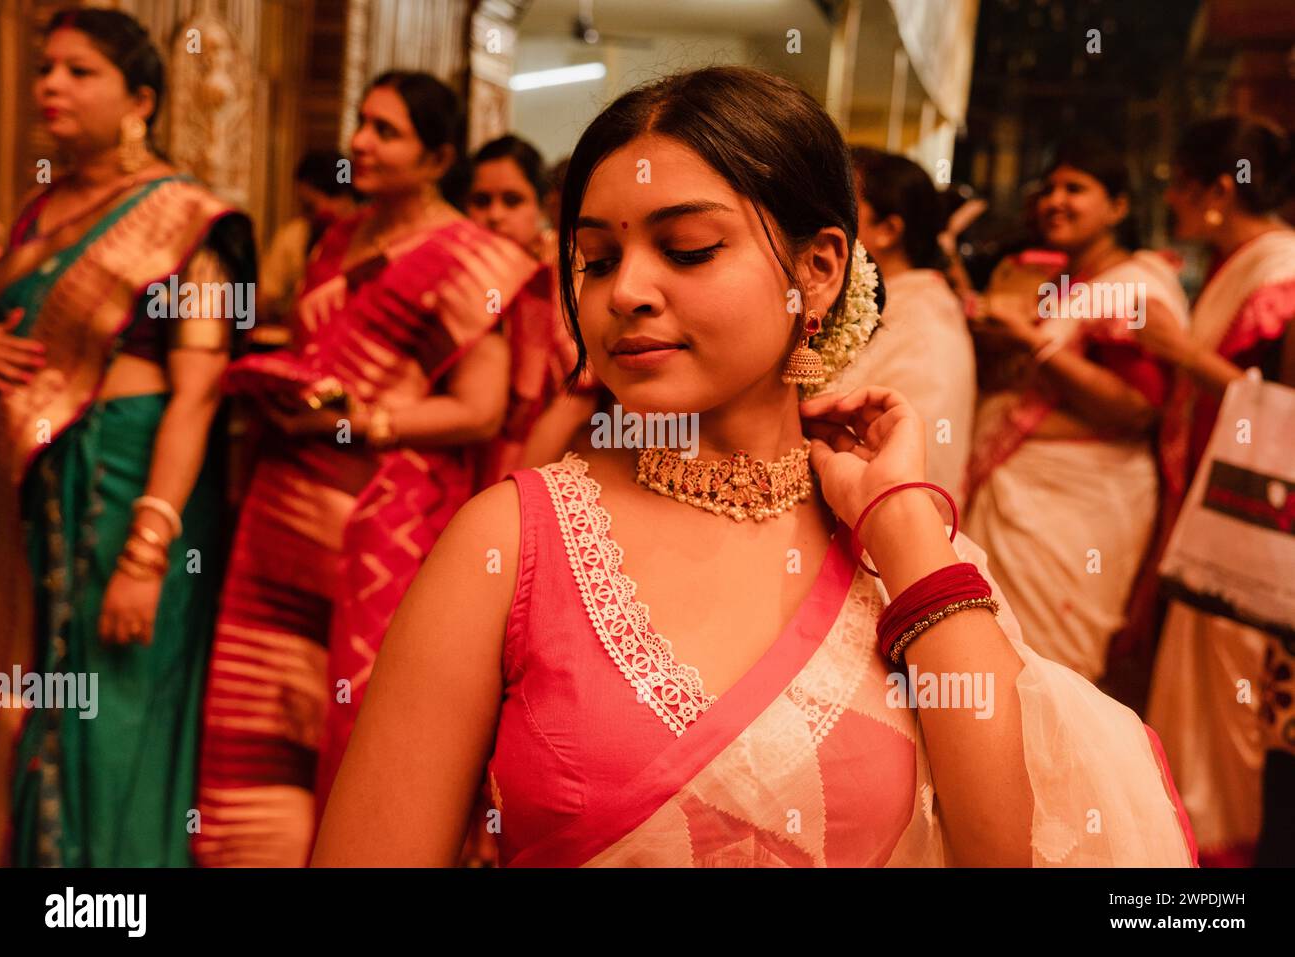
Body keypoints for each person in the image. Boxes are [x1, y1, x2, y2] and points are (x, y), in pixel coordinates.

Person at [312, 67, 1195, 868]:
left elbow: (1012, 847)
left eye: (689, 247)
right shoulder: (509, 544)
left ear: (816, 272)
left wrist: (901, 521)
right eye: (597, 258)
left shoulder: (898, 551)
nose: (625, 292)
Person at [194, 70, 538, 867]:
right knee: (276, 703)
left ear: (437, 155)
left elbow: (480, 410)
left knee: (359, 713)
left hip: (381, 520)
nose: (359, 143)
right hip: (288, 504)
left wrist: (358, 421)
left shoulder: (467, 258)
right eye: (360, 123)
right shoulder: (340, 239)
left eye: (385, 131)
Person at [0, 8, 254, 866]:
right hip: (37, 487)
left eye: (79, 71)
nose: (50, 87)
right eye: (45, 68)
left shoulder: (187, 220)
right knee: (38, 703)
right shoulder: (37, 215)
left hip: (132, 488)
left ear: (140, 98)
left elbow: (199, 391)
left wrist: (148, 550)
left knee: (118, 710)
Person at [962, 141, 1190, 683]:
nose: (1054, 202)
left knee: (1052, 668)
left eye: (1075, 189)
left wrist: (1032, 343)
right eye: (1048, 189)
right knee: (999, 652)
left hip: (1081, 503)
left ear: (1118, 207)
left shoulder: (1131, 286)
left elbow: (1137, 410)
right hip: (1034, 495)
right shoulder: (1068, 283)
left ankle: (1050, 766)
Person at [1140, 116, 1295, 867]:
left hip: (1251, 533)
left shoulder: (1280, 274)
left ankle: (1218, 866)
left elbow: (1287, 415)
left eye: (1177, 183)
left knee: (1230, 710)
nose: (1168, 199)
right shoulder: (1243, 263)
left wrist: (1180, 355)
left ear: (1214, 192)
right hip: (1208, 516)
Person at [832, 147, 976, 509]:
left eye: (840, 202)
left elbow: (921, 471)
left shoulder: (925, 320)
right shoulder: (896, 299)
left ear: (888, 229)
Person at [464, 134, 566, 487]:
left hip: (537, 472)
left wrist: (515, 491)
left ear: (542, 207)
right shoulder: (456, 283)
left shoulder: (557, 280)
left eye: (512, 201)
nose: (494, 215)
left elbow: (575, 399)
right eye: (481, 201)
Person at [255, 149, 359, 332]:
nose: (308, 215)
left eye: (309, 206)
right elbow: (265, 298)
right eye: (304, 206)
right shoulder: (295, 236)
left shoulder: (372, 236)